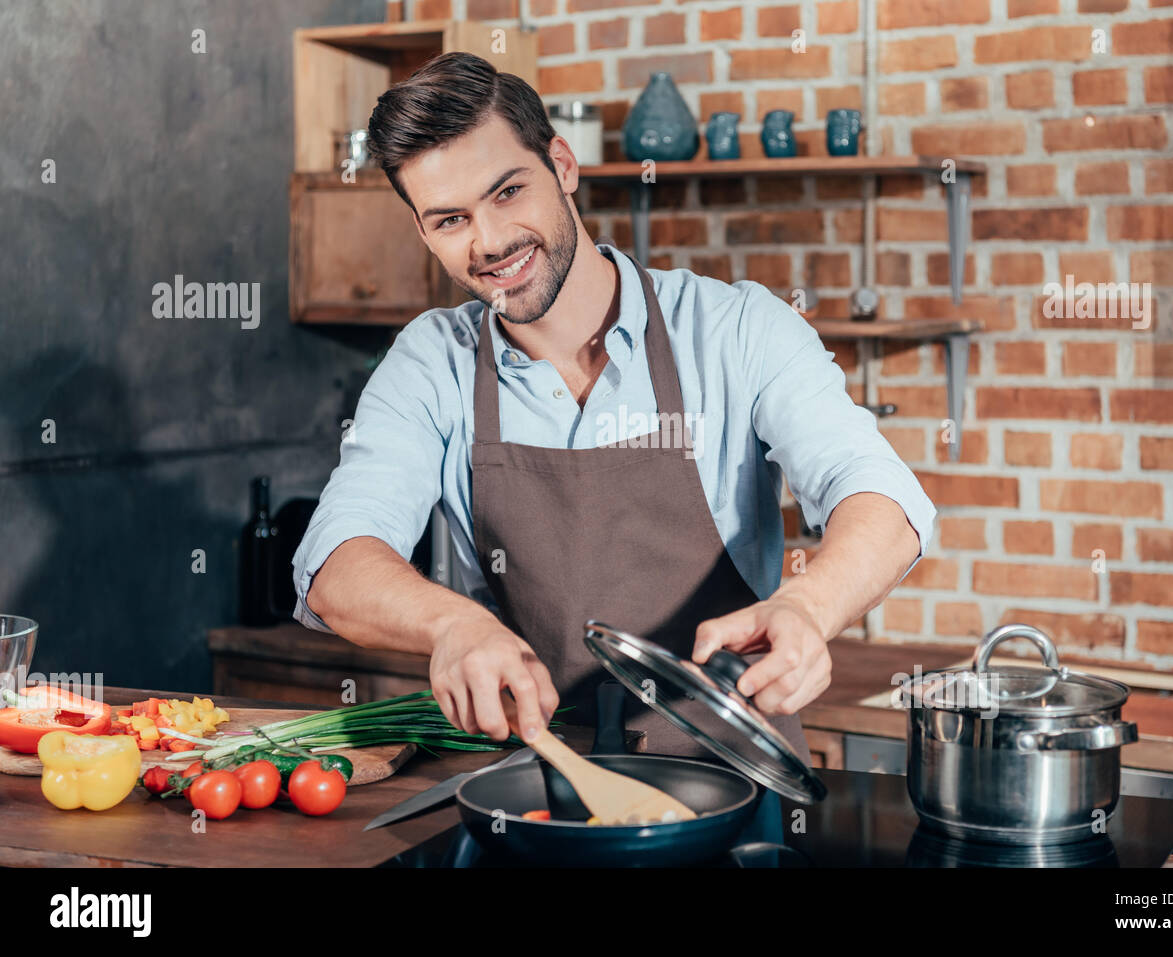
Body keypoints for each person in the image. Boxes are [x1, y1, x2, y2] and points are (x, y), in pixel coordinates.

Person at [291, 52, 935, 761]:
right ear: (423, 232)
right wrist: (450, 623)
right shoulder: (430, 362)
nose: (491, 241)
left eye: (507, 192)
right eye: (451, 220)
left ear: (563, 166)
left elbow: (882, 496)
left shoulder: (735, 329)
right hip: (535, 791)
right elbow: (335, 565)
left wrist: (807, 608)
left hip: (730, 787)